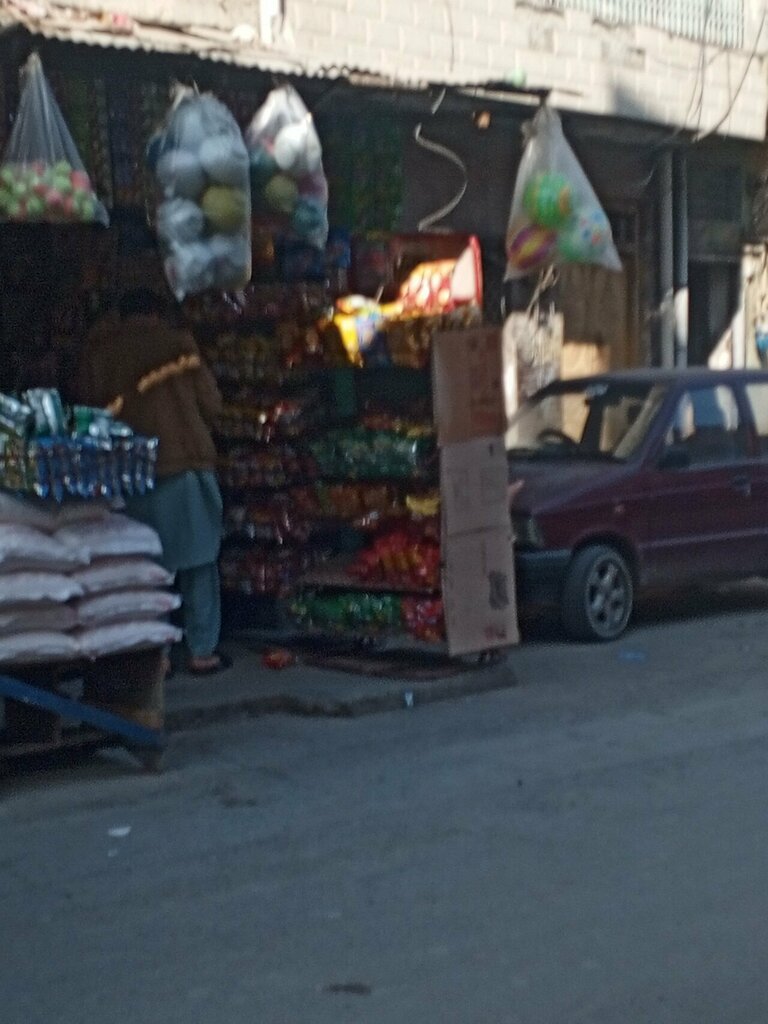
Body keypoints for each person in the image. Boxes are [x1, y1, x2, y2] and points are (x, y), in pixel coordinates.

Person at [78, 288, 230, 675]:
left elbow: (89, 411)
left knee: (147, 567)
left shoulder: (103, 354)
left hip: (131, 472)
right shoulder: (178, 345)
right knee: (198, 562)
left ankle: (156, 655)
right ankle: (201, 652)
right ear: (158, 313)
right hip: (184, 464)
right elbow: (212, 404)